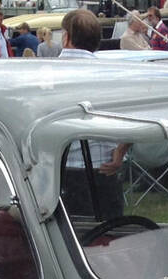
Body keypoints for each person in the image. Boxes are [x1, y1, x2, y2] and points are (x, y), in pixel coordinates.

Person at [58, 8, 128, 220]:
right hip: (104, 168)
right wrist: (121, 150)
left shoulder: (45, 73)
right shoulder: (114, 75)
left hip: (64, 170)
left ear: (66, 37)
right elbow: (133, 117)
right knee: (111, 237)